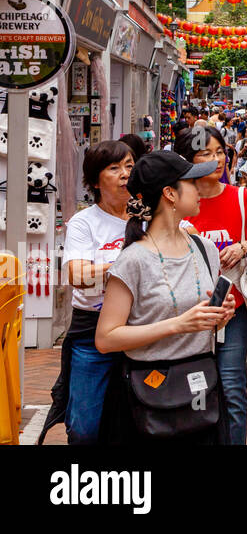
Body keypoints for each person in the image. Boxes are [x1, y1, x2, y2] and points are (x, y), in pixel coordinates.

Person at [95, 151, 237, 444]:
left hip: (202, 387)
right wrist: (179, 324)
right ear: (170, 193)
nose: (201, 189)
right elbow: (106, 338)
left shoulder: (205, 248)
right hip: (148, 396)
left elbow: (202, 325)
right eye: (192, 182)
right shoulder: (133, 260)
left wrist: (218, 318)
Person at [174, 125, 247, 445]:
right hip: (188, 314)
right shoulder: (176, 203)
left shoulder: (243, 199)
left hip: (234, 311)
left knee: (233, 390)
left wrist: (244, 246)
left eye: (220, 151)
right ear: (188, 159)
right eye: (205, 153)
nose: (216, 159)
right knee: (196, 391)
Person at [43, 142, 135, 445]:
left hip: (142, 327)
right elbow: (79, 276)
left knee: (143, 419)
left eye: (130, 167)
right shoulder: (85, 222)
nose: (124, 175)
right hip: (91, 331)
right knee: (83, 428)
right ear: (96, 181)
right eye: (114, 168)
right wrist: (131, 265)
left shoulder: (150, 218)